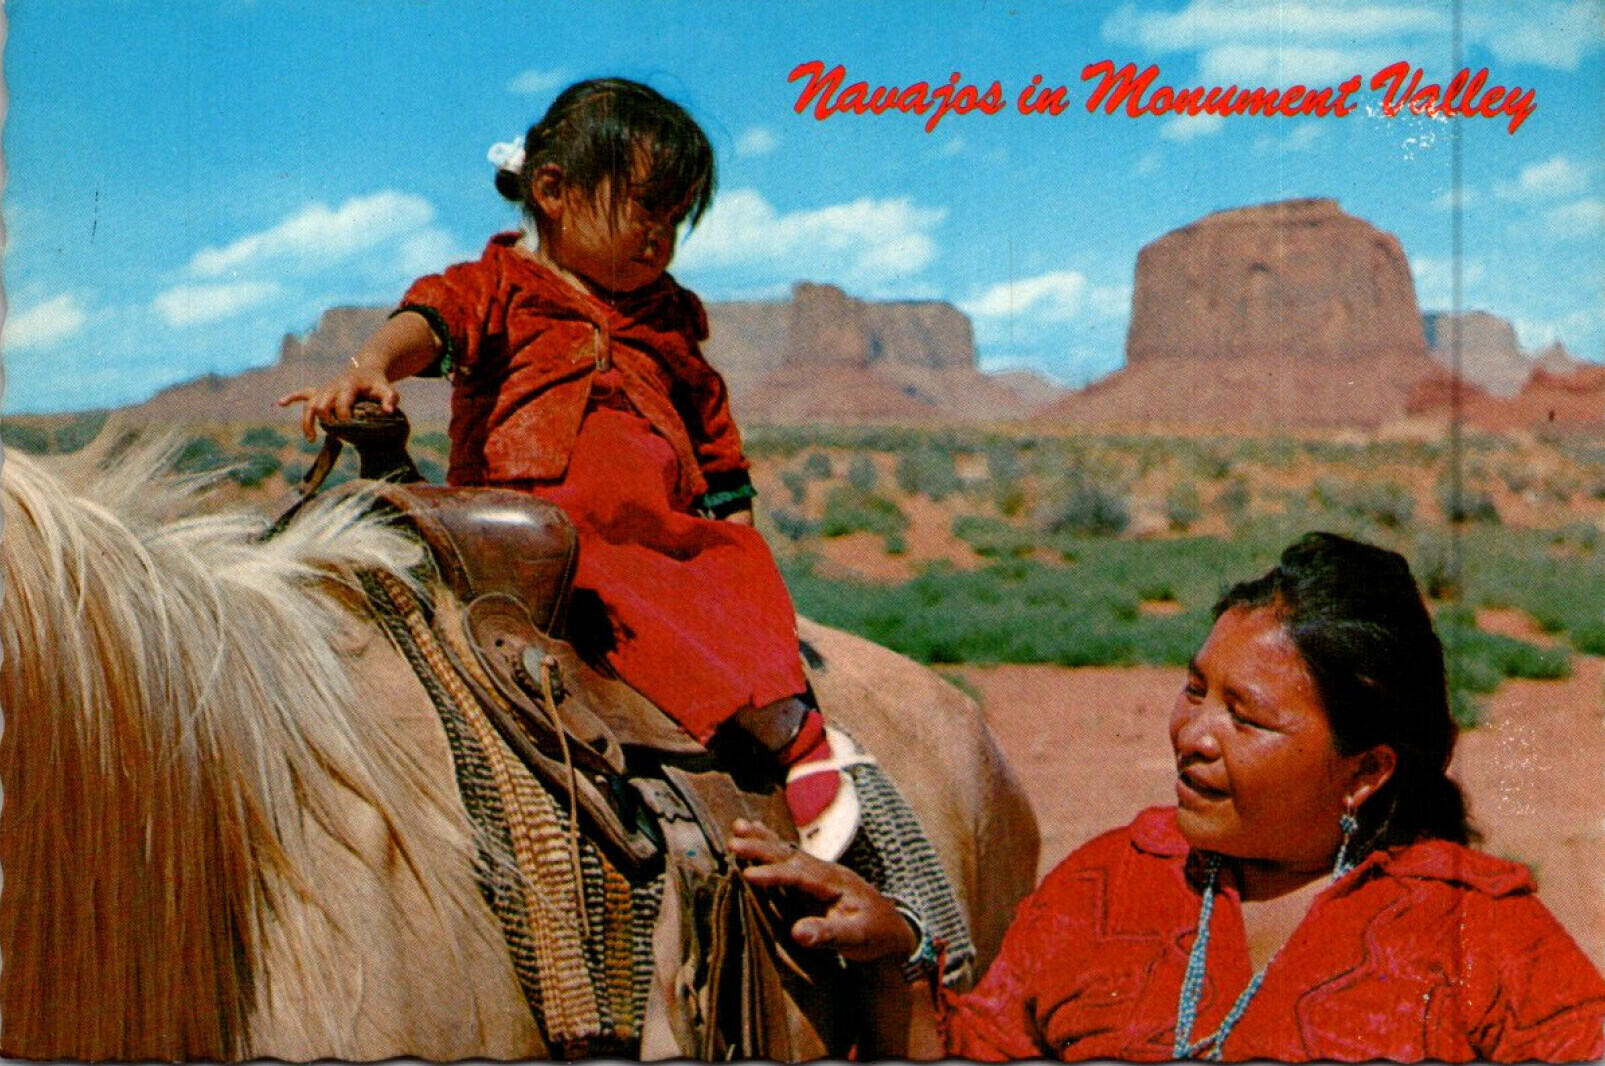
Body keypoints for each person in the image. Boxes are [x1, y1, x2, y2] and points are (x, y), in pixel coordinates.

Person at [732, 532, 1605, 1061]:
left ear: (1364, 772)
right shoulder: (1107, 885)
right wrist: (896, 962)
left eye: (1247, 718)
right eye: (1195, 690)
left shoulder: (1480, 934)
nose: (1193, 735)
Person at [280, 78, 857, 857]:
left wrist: (732, 532)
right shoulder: (495, 286)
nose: (662, 236)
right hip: (536, 531)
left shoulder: (667, 318)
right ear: (552, 190)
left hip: (659, 527)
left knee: (734, 574)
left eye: (677, 218)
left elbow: (712, 435)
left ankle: (789, 730)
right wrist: (371, 365)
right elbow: (429, 321)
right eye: (645, 208)